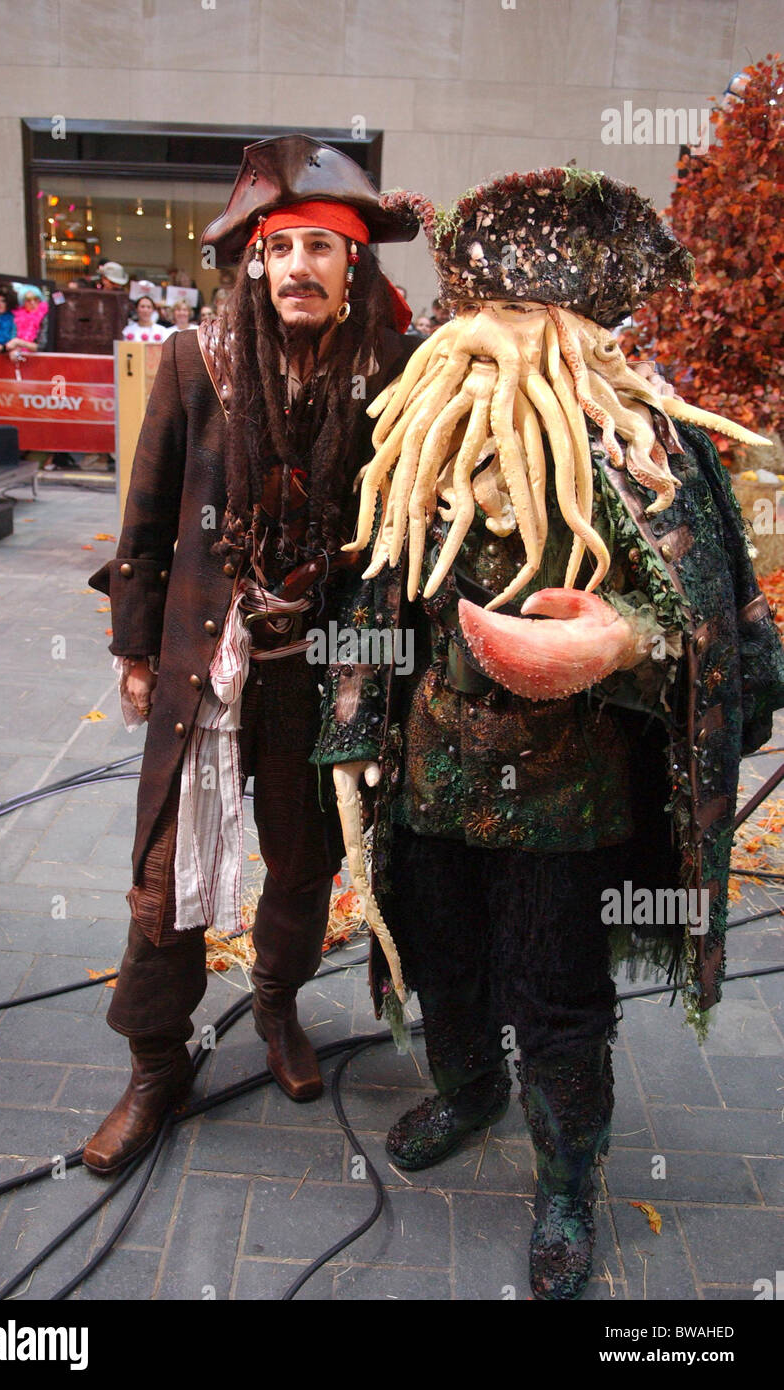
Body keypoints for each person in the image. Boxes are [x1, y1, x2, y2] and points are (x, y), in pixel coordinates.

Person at [314, 168, 784, 1299]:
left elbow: (722, 617)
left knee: (557, 989)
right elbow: (374, 597)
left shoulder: (648, 446)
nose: (508, 337)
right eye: (489, 318)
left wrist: (626, 634)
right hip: (428, 772)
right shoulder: (419, 438)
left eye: (537, 320)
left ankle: (568, 1180)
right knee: (435, 953)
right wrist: (355, 726)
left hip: (568, 795)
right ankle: (470, 1084)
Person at [81, 133, 419, 1175]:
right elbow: (143, 519)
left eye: (321, 247)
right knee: (162, 876)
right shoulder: (195, 360)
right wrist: (134, 648)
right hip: (206, 661)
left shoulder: (393, 371)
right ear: (254, 264)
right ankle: (153, 1067)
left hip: (323, 669)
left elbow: (410, 526)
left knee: (304, 864)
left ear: (352, 263)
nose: (298, 268)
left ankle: (276, 1011)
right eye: (281, 250)